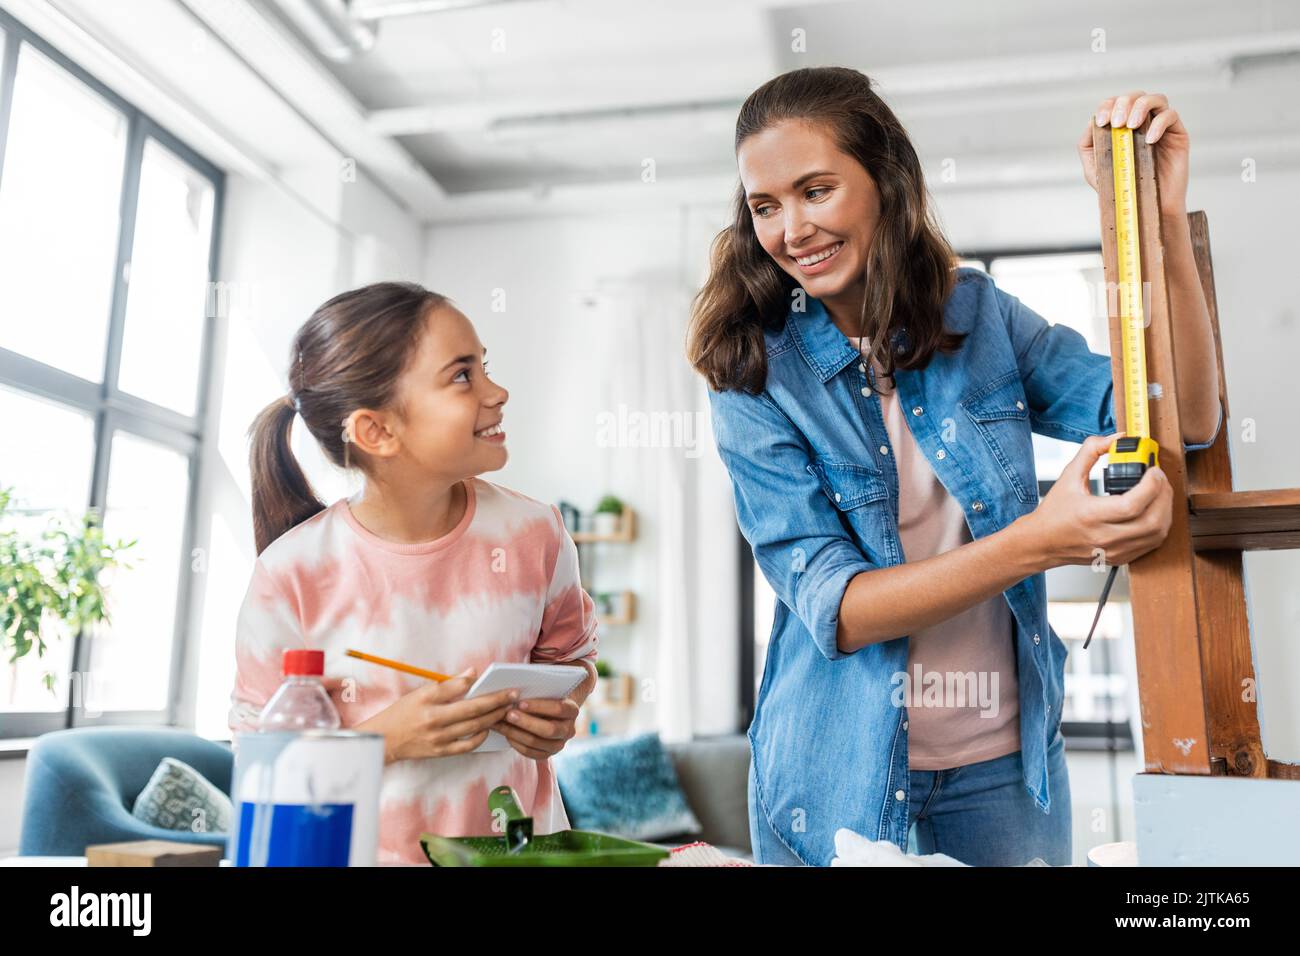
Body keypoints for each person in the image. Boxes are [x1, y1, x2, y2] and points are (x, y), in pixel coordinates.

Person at [686, 67, 1222, 866]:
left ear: (887, 184)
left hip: (1003, 773)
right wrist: (1043, 539)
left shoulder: (979, 315)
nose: (790, 228)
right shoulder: (753, 373)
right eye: (765, 206)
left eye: (816, 190)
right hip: (831, 775)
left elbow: (1185, 417)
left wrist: (1156, 219)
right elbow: (837, 609)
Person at [229, 281, 599, 864]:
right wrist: (385, 742)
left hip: (523, 854)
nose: (497, 392)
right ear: (377, 431)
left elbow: (572, 663)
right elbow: (260, 778)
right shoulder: (292, 573)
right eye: (461, 376)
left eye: (484, 367)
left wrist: (563, 710)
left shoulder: (537, 533)